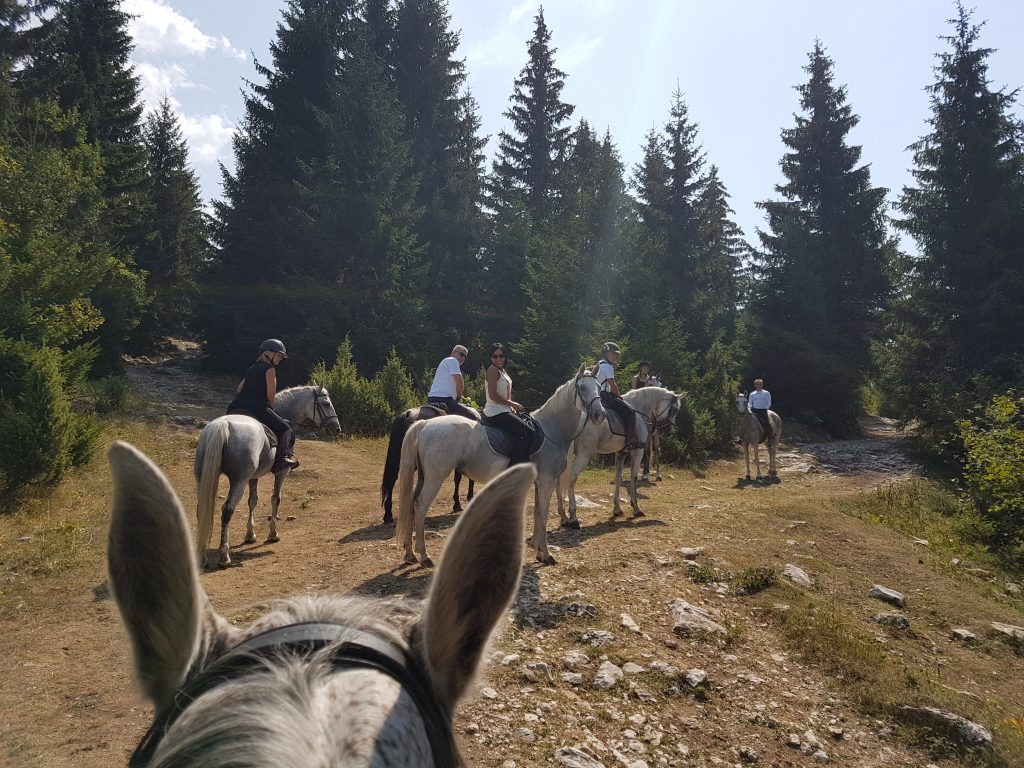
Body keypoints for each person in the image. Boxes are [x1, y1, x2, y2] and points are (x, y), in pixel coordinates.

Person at [226, 339, 299, 472]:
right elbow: (271, 393)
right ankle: (281, 460)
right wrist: (270, 406)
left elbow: (239, 389)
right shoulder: (270, 369)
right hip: (257, 408)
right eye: (279, 355)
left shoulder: (252, 368)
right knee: (285, 428)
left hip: (235, 406)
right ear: (268, 354)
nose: (281, 359)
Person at [483, 343, 535, 465]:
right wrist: (513, 404)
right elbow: (493, 396)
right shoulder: (492, 370)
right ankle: (512, 468)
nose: (498, 359)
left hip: (504, 410)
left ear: (505, 356)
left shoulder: (503, 371)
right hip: (495, 412)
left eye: (501, 355)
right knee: (528, 432)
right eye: (495, 356)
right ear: (491, 358)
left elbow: (505, 394)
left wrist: (511, 407)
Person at [596, 342, 644, 450]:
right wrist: (618, 396)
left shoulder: (599, 364)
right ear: (606, 354)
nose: (615, 357)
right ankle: (630, 441)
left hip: (598, 395)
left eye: (616, 354)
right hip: (605, 396)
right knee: (630, 412)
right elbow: (612, 384)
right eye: (613, 354)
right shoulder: (607, 366)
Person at [426, 344, 476, 419]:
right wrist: (458, 398)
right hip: (444, 399)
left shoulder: (446, 362)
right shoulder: (453, 360)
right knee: (472, 417)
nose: (462, 358)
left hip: (432, 398)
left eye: (465, 356)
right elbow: (460, 384)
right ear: (453, 353)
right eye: (461, 354)